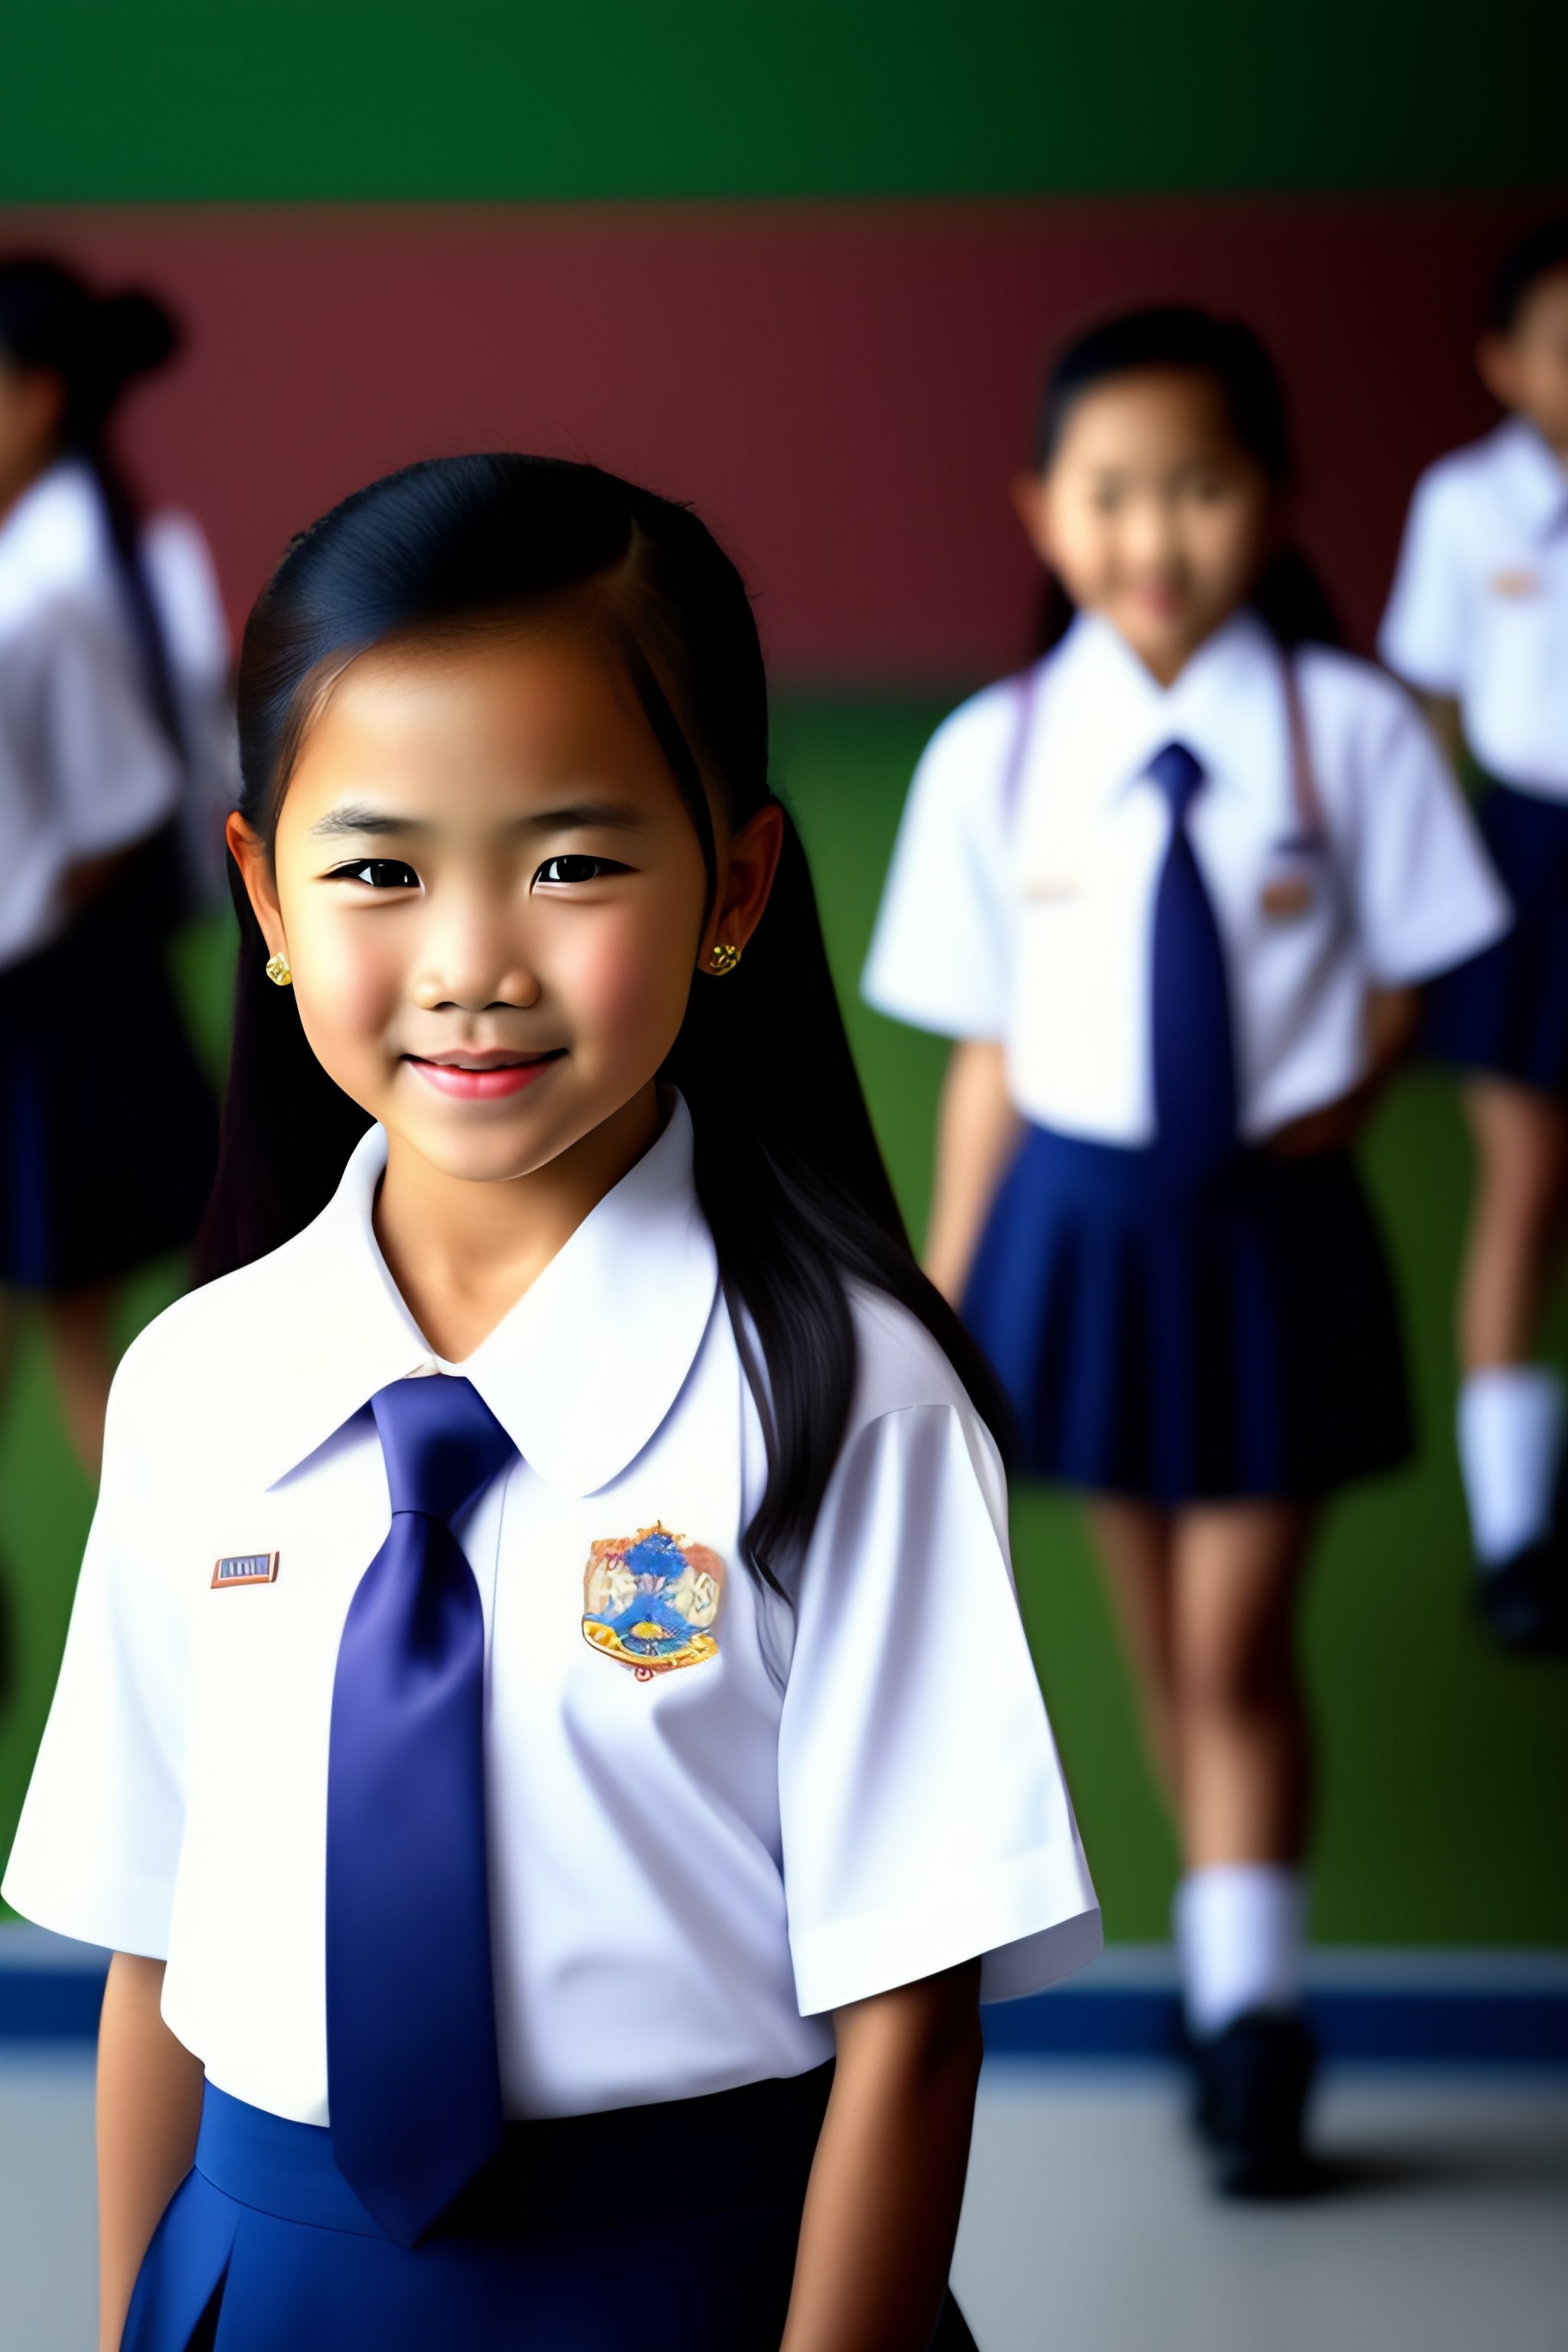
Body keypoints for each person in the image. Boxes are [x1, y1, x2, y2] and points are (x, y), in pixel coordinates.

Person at [3, 453, 1101, 2352]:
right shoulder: (197, 1387)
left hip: (690, 2283)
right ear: (261, 892)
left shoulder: (849, 1396)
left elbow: (910, 2028)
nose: (471, 964)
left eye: (573, 861)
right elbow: (148, 1960)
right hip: (265, 2285)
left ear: (733, 881)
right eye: (377, 869)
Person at [863, 307, 1508, 2197]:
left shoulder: (1355, 726)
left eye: (1202, 487)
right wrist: (946, 1293)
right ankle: (1229, 1986)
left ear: (1283, 503)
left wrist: (1356, 1088)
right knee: (1157, 1636)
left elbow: (1423, 957)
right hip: (1072, 1230)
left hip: (1267, 1235)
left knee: (1231, 1642)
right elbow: (983, 1056)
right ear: (1042, 514)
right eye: (1111, 493)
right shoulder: (996, 751)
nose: (1156, 533)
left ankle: (1255, 2019)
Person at [0, 256, 227, 1484]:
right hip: (81, 985)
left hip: (52, 1002)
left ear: (37, 395)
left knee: (85, 1343)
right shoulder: (120, 544)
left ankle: (182, 1637)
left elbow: (126, 805)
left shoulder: (45, 585)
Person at [1379, 217, 1568, 1654]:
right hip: (1527, 854)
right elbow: (1430, 701)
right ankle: (1518, 1534)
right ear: (1504, 365)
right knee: (1526, 1180)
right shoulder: (1464, 504)